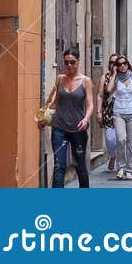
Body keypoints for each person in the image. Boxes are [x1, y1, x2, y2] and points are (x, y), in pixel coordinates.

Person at [42, 48, 94, 188]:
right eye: (66, 63)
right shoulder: (60, 79)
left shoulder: (85, 81)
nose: (69, 66)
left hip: (78, 128)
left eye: (72, 62)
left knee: (80, 166)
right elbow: (55, 101)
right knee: (59, 165)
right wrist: (44, 117)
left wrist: (86, 119)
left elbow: (90, 105)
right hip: (59, 127)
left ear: (78, 62)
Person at [108, 55, 132, 181]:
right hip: (119, 113)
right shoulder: (115, 78)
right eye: (119, 64)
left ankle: (130, 170)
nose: (122, 66)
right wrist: (113, 74)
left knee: (131, 142)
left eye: (124, 63)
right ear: (117, 66)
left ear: (128, 64)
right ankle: (121, 168)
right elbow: (108, 89)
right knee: (121, 139)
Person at [98, 55, 119, 173]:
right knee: (110, 139)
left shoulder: (125, 78)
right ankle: (113, 155)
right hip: (108, 112)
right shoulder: (104, 78)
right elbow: (100, 95)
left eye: (117, 63)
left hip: (123, 112)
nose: (114, 65)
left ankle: (121, 164)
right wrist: (98, 112)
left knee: (122, 139)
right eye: (112, 62)